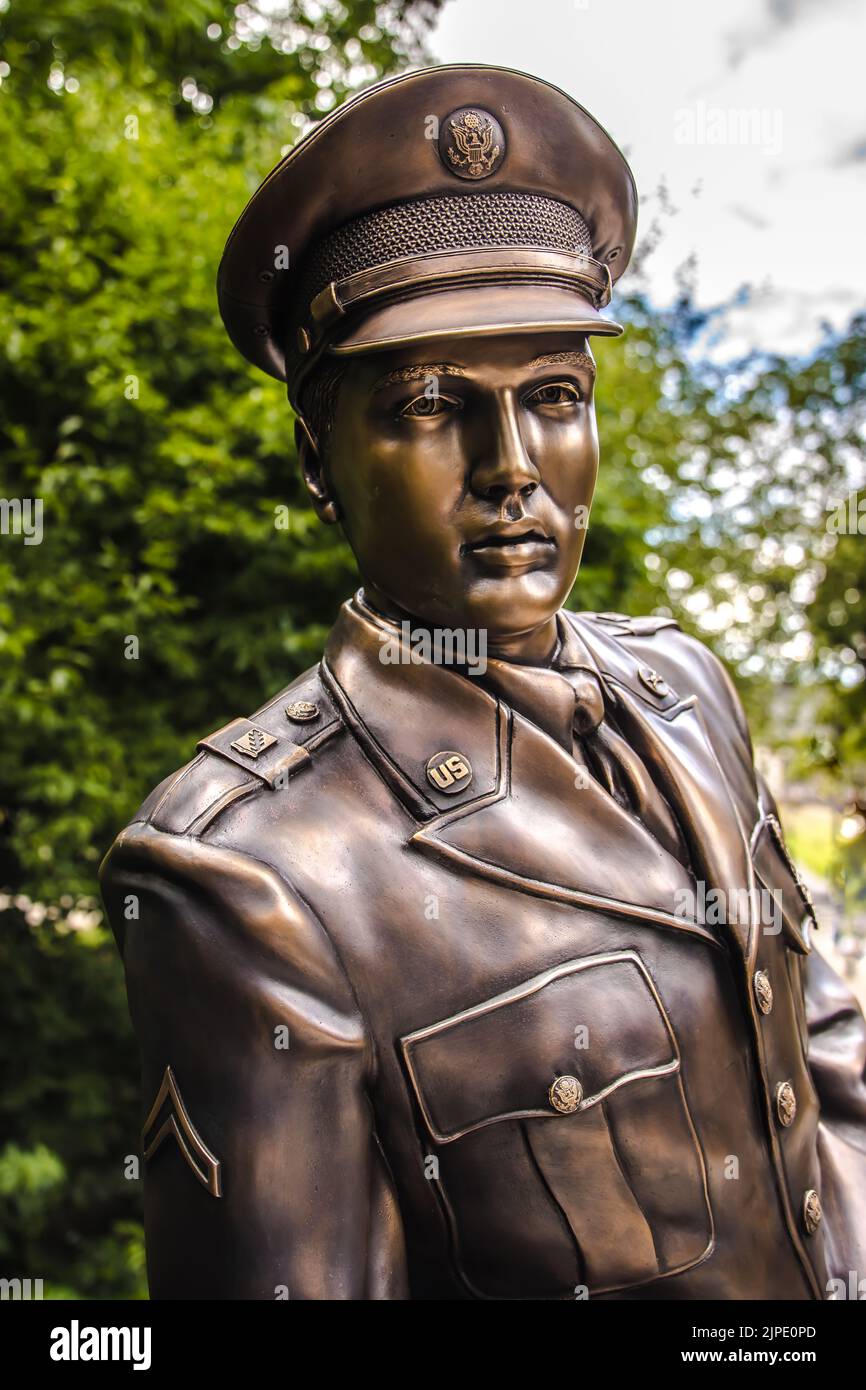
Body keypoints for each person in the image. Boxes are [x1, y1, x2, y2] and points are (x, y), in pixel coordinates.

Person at [100, 63, 866, 1300]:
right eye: (431, 404)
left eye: (554, 396)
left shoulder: (683, 685)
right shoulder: (248, 872)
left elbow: (820, 1052)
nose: (513, 467)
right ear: (317, 457)